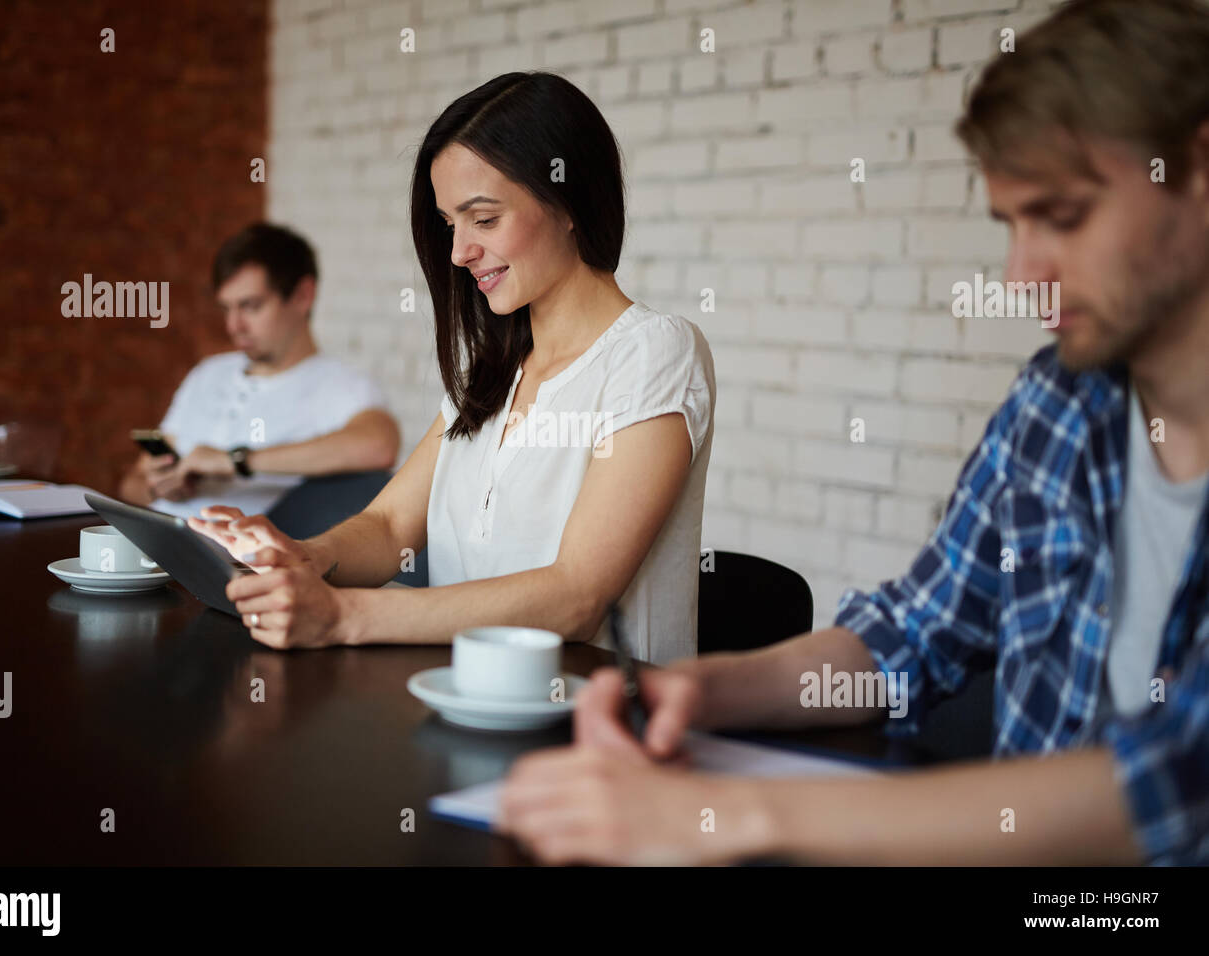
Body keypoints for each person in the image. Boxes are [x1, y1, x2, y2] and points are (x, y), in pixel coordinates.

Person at [498, 0, 1209, 866]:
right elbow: (914, 635)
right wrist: (692, 687)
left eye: (1061, 217)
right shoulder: (1058, 402)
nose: (1023, 278)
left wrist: (729, 814)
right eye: (1010, 226)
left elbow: (1178, 783)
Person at [188, 71, 716, 664]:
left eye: (484, 219)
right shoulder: (493, 369)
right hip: (465, 699)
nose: (459, 252)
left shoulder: (653, 353)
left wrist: (343, 616)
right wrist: (303, 556)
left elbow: (577, 596)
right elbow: (389, 528)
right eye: (449, 225)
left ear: (571, 203)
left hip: (599, 727)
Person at [118, 223, 400, 520]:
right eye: (227, 309)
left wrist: (235, 461)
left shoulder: (340, 384)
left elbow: (379, 445)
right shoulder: (208, 374)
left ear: (303, 296)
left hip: (230, 558)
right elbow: (130, 485)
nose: (233, 326)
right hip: (156, 539)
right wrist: (156, 487)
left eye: (250, 306)